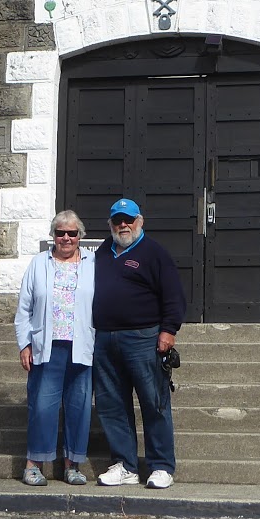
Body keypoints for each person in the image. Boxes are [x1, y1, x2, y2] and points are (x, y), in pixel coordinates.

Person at [91, 197, 187, 489]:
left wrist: (168, 332)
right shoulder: (102, 253)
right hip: (105, 339)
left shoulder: (154, 252)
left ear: (139, 221)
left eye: (128, 220)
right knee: (112, 405)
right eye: (117, 220)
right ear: (110, 224)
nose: (123, 225)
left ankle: (161, 466)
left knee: (154, 402)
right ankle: (126, 466)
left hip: (144, 338)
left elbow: (173, 296)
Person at [13, 209, 95, 486]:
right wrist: (24, 343)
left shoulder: (92, 263)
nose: (66, 238)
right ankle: (33, 464)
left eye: (72, 233)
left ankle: (72, 464)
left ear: (80, 236)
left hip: (82, 347)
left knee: (79, 408)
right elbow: (24, 308)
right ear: (53, 236)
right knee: (42, 407)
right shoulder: (39, 263)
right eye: (61, 233)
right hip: (46, 346)